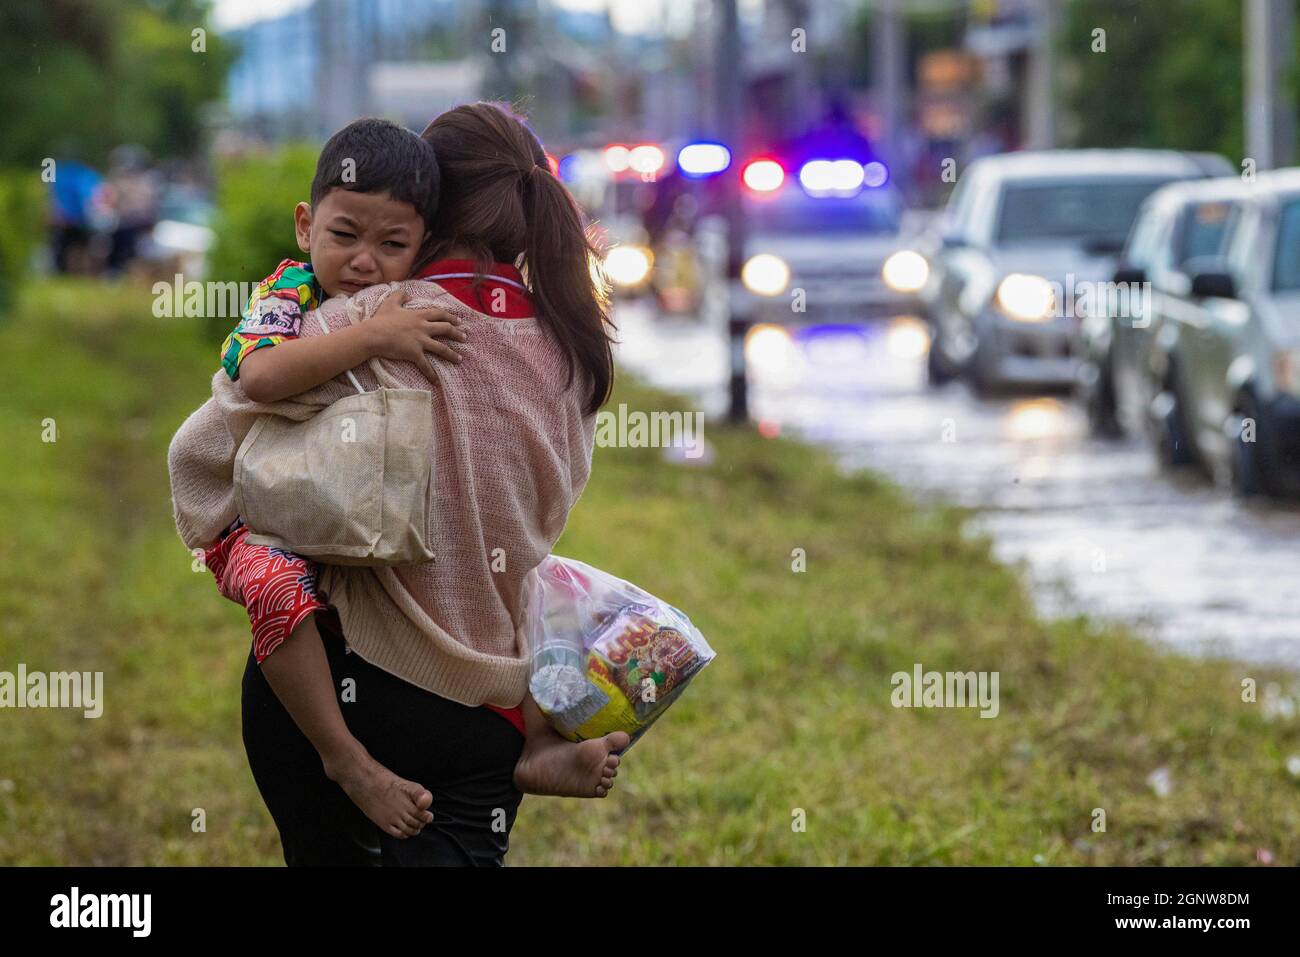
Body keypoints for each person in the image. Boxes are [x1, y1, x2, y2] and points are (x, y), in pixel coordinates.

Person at [168, 104, 628, 865]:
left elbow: (202, 451)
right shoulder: (573, 346)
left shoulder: (361, 320)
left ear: (430, 209)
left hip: (347, 682)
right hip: (486, 714)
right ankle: (538, 739)